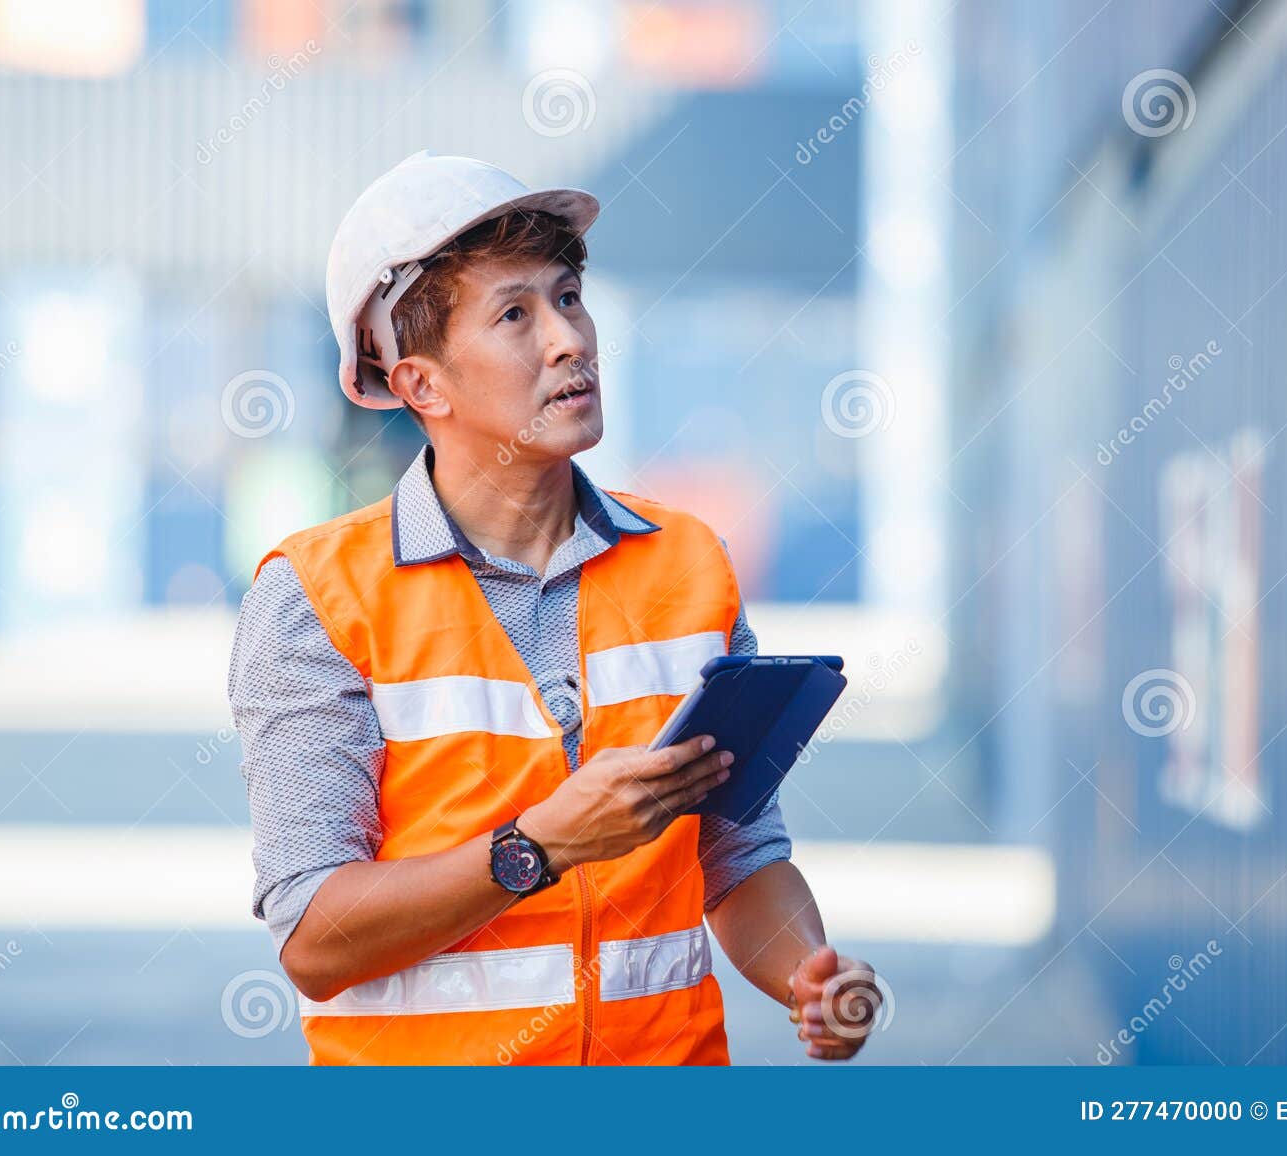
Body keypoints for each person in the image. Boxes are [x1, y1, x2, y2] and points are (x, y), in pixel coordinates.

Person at [228, 152, 880, 1065]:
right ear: (422, 385)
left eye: (568, 297)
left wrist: (809, 975)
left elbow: (736, 856)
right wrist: (534, 849)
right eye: (513, 315)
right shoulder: (317, 598)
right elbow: (314, 939)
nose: (569, 339)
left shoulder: (690, 565)